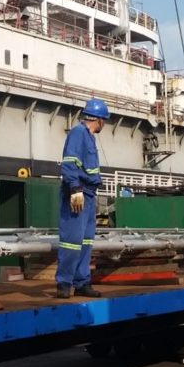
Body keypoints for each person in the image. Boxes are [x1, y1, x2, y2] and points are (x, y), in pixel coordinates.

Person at [56, 99, 108, 298]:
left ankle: (82, 282)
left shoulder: (89, 136)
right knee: (72, 240)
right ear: (100, 120)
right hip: (77, 192)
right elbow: (69, 162)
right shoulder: (78, 133)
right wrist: (74, 187)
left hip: (89, 193)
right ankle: (64, 283)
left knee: (86, 241)